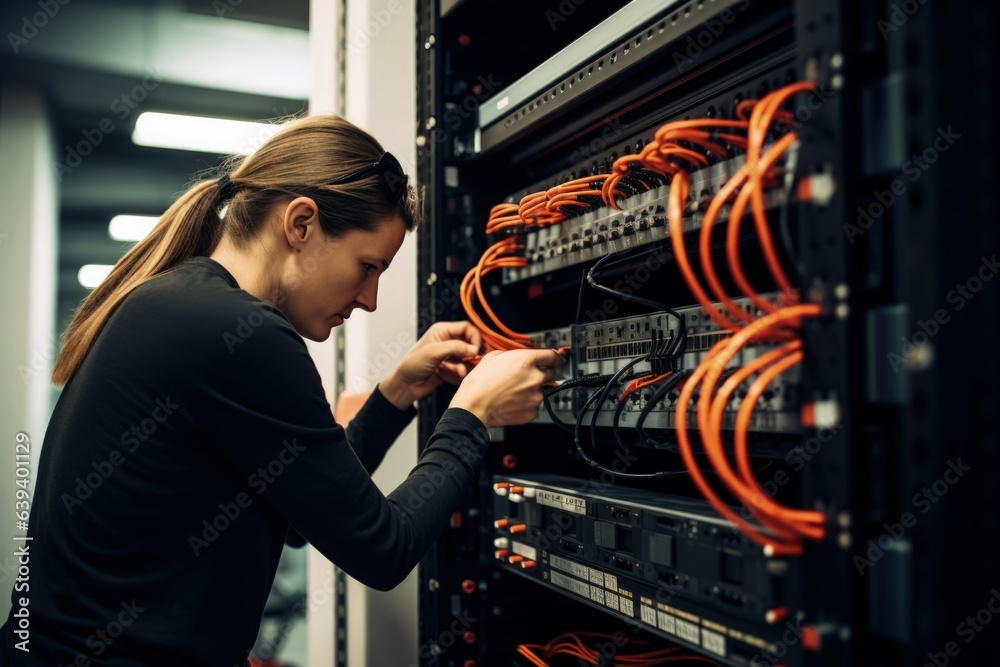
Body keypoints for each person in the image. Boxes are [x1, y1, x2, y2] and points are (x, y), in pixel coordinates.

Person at [0, 115, 561, 667]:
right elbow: (383, 549)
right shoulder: (238, 333)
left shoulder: (180, 302)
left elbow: (294, 513)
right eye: (368, 267)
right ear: (300, 225)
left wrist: (395, 394)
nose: (369, 299)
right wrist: (472, 414)